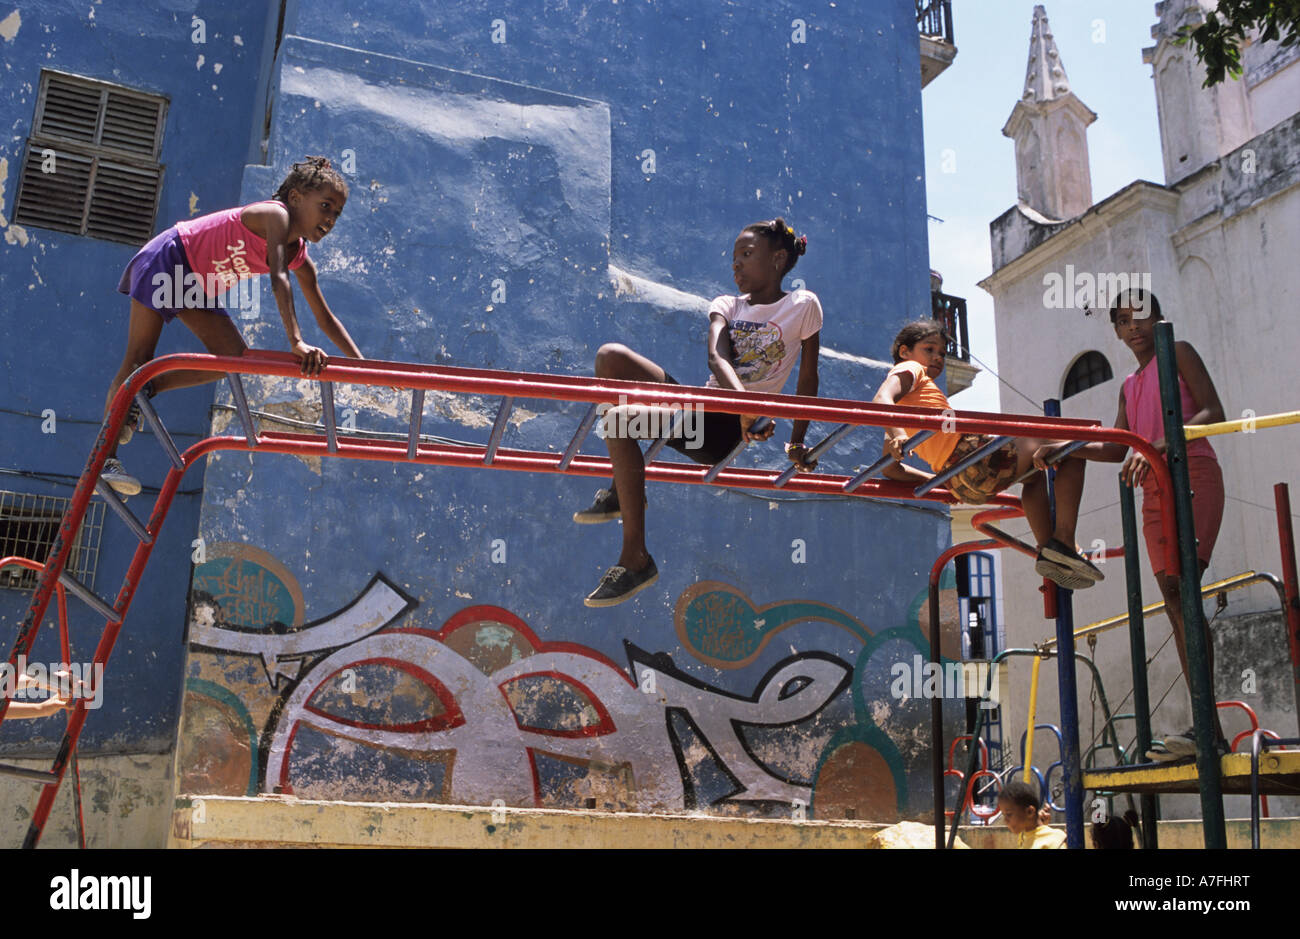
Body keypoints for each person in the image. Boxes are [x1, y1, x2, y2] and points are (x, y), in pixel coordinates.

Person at [574, 218, 821, 607]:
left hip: (717, 433)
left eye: (746, 254)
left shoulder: (802, 306)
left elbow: (808, 380)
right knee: (611, 357)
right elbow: (716, 357)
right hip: (702, 407)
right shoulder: (727, 304)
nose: (735, 264)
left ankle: (635, 558)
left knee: (618, 422)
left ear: (778, 260)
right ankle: (624, 489)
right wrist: (746, 406)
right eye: (734, 257)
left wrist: (796, 441)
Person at [100, 156, 364, 497]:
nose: (329, 219)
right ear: (296, 197)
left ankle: (147, 390)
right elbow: (278, 279)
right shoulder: (276, 215)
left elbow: (325, 317)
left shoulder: (301, 256)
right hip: (171, 257)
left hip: (195, 283)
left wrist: (364, 367)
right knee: (138, 357)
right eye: (325, 206)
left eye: (336, 213)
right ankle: (105, 461)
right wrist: (296, 342)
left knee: (232, 357)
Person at [1075, 288, 1229, 760]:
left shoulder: (1176, 351)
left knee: (1184, 588)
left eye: (1140, 316)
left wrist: (1159, 446)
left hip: (1192, 473)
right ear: (1117, 331)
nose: (1133, 326)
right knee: (1172, 599)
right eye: (1122, 320)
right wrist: (1065, 445)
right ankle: (1207, 728)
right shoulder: (1128, 384)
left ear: (1158, 318)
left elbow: (1212, 412)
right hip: (1152, 490)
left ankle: (1209, 727)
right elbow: (1119, 447)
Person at [873, 320, 1103, 590]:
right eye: (929, 348)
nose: (937, 357)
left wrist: (940, 480)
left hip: (964, 481)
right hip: (975, 458)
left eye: (943, 353)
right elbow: (881, 398)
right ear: (905, 352)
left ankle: (1049, 551)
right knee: (1070, 446)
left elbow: (891, 470)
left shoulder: (902, 410)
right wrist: (900, 435)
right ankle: (1064, 541)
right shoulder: (911, 369)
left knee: (1033, 477)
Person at [997, 779, 1066, 848]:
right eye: (1003, 815)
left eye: (1009, 814)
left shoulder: (1052, 841)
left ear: (1029, 812)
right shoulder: (1025, 837)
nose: (1005, 821)